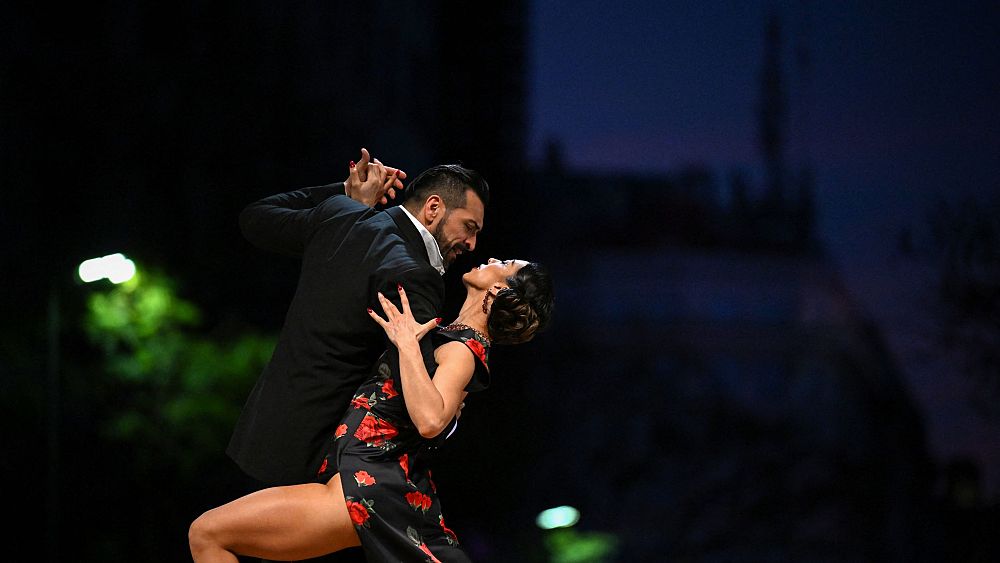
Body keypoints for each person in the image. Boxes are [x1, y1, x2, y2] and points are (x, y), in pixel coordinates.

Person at [189, 258, 554, 562]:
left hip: (362, 489)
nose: (491, 260)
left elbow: (430, 421)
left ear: (498, 290)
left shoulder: (463, 350)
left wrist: (407, 345)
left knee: (207, 533)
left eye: (503, 264)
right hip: (362, 484)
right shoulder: (452, 337)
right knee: (209, 533)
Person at [226, 149, 489, 562]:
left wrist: (343, 193)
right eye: (469, 227)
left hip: (269, 430)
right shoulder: (414, 272)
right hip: (335, 466)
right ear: (434, 208)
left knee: (210, 536)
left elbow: (255, 217)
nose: (472, 245)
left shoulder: (344, 215)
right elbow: (417, 402)